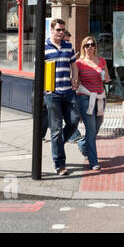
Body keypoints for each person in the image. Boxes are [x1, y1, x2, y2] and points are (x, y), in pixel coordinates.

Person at [44, 19, 80, 176]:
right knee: (56, 130)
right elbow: (39, 70)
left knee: (74, 121)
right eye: (58, 30)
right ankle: (60, 164)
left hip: (68, 92)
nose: (61, 33)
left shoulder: (68, 46)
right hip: (52, 94)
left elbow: (73, 65)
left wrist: (75, 79)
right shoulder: (43, 47)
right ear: (51, 30)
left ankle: (57, 144)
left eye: (63, 30)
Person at [73, 36, 108, 172]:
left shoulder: (101, 61)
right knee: (92, 130)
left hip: (100, 98)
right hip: (85, 98)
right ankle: (93, 161)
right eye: (87, 45)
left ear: (95, 47)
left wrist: (103, 75)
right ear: (83, 48)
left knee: (96, 127)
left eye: (92, 44)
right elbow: (75, 81)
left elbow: (107, 79)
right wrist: (74, 83)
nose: (89, 47)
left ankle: (82, 144)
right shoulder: (79, 63)